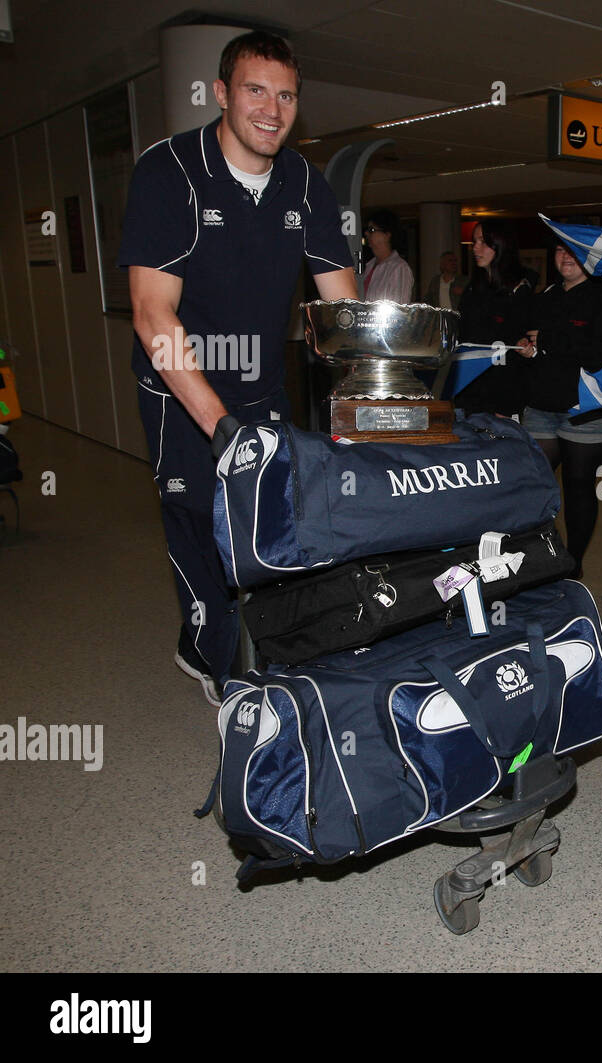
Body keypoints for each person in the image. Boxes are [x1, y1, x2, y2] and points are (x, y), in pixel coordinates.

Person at [119, 31, 355, 705]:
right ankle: (216, 662)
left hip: (261, 386)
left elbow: (343, 309)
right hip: (181, 392)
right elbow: (152, 315)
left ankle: (268, 651)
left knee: (270, 528)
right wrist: (218, 427)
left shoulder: (305, 183)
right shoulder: (168, 173)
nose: (272, 110)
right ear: (222, 93)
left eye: (285, 95)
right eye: (256, 90)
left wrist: (378, 395)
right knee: (202, 528)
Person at [518, 243, 602, 576]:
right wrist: (532, 350)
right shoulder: (546, 296)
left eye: (574, 251)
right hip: (542, 405)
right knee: (534, 485)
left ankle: (572, 563)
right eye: (560, 249)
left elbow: (598, 353)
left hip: (587, 409)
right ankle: (544, 554)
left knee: (578, 486)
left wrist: (549, 340)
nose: (566, 257)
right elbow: (539, 346)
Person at [453, 220, 534, 416]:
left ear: (500, 244)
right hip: (469, 388)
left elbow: (518, 343)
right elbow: (464, 335)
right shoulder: (473, 288)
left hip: (502, 392)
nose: (476, 248)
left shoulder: (518, 290)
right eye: (474, 242)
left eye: (483, 242)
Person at [360, 209, 414, 302]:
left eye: (371, 230)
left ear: (387, 234)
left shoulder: (399, 268)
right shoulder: (369, 266)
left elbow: (398, 308)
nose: (366, 233)